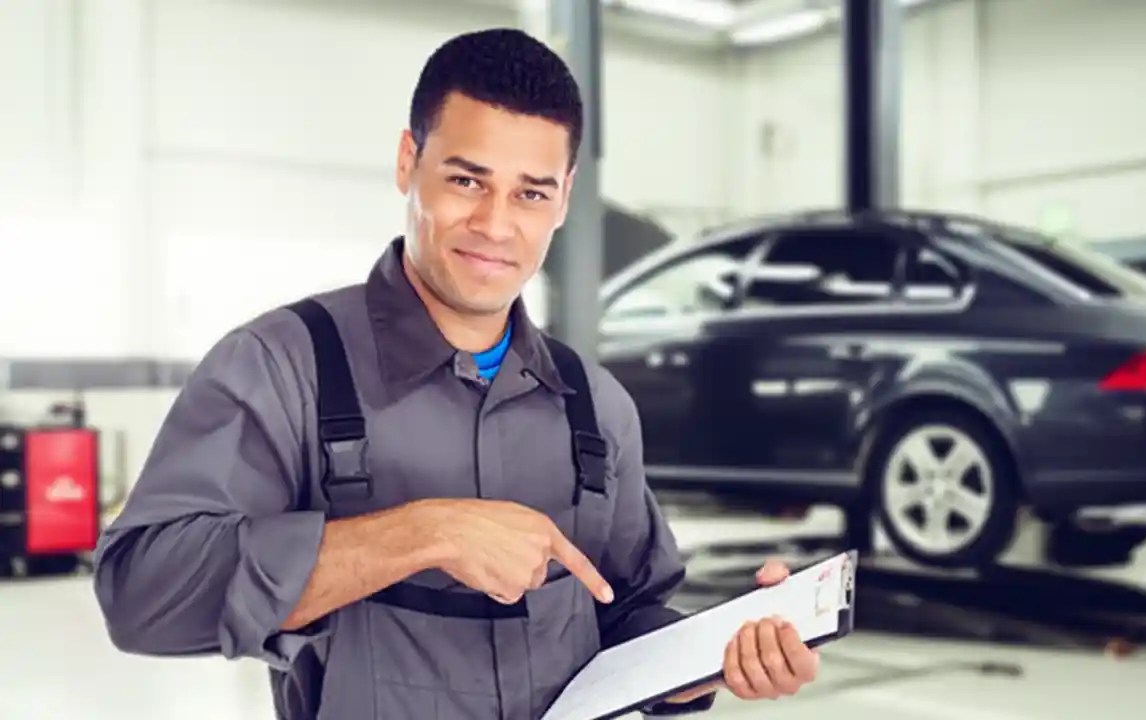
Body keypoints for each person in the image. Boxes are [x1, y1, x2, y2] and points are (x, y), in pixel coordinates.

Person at [92, 27, 820, 719]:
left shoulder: (595, 407)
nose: (497, 224)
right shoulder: (283, 366)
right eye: (468, 179)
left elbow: (628, 609)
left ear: (563, 198)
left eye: (531, 192)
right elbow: (141, 592)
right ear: (409, 161)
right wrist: (421, 534)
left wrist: (713, 655)